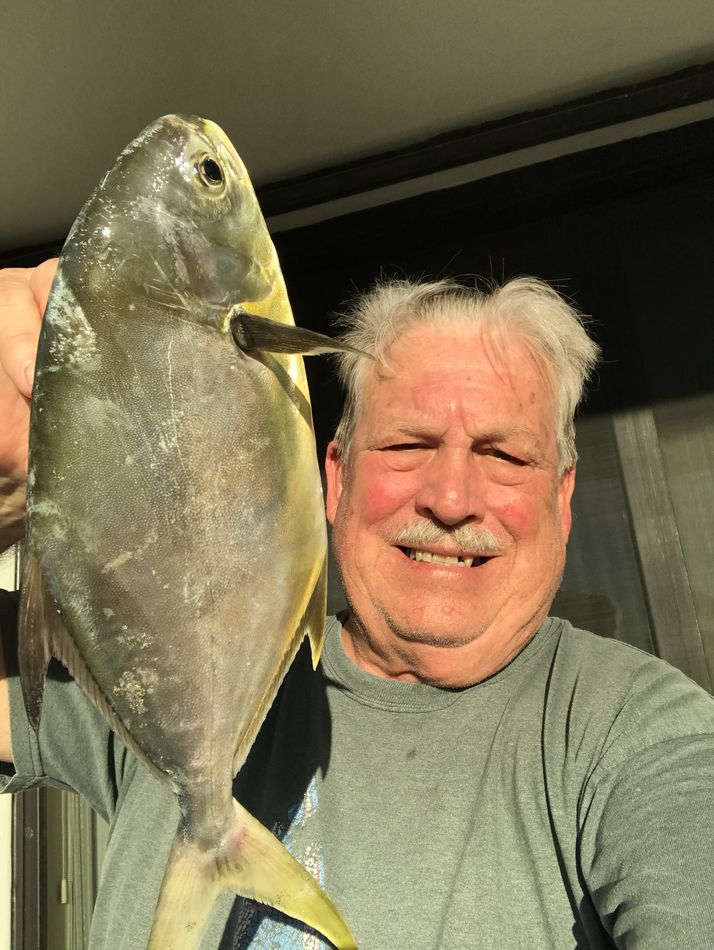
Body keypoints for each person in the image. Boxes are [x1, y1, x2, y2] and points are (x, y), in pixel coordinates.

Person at [1, 260, 713, 949]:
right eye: (408, 444)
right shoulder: (178, 671)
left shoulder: (639, 736)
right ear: (336, 480)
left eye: (503, 455)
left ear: (561, 496)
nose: (450, 499)